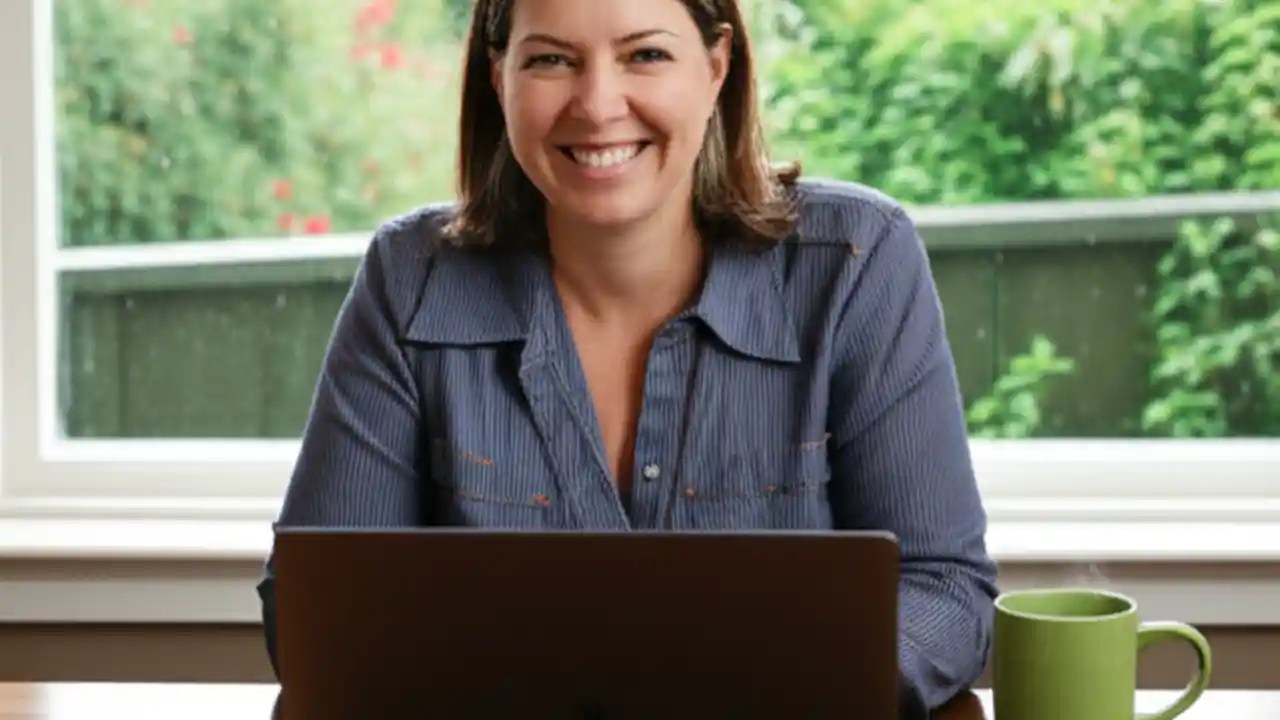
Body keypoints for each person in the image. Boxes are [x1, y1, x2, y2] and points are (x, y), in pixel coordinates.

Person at [256, 0, 999, 714]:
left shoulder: (856, 262)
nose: (598, 103)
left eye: (645, 54)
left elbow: (943, 589)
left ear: (715, 68)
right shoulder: (410, 275)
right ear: (499, 78)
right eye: (550, 60)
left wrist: (775, 698)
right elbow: (318, 616)